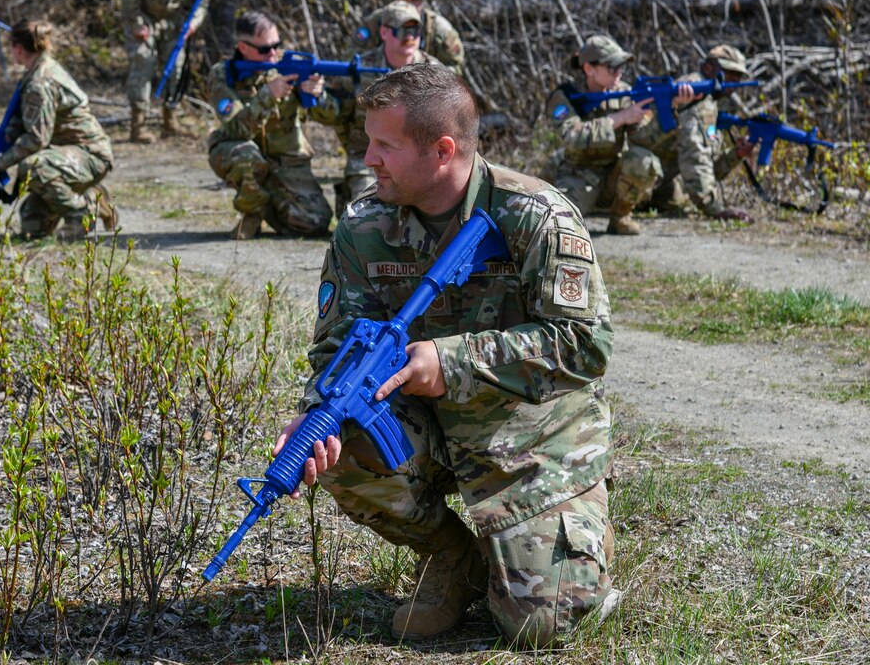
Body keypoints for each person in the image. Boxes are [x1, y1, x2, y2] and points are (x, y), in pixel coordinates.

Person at [275, 63, 618, 647]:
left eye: (384, 145)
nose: (368, 158)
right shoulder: (364, 225)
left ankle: (566, 527)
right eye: (368, 142)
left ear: (442, 150)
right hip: (425, 421)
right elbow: (339, 343)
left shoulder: (535, 216)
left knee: (540, 624)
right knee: (346, 447)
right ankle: (455, 557)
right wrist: (316, 414)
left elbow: (585, 346)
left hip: (529, 427)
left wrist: (451, 361)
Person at [205, 11, 343, 240]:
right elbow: (235, 129)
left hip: (286, 160)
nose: (272, 53)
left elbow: (329, 117)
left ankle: (269, 203)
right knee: (247, 156)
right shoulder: (223, 74)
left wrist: (318, 96)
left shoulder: (287, 66)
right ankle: (252, 214)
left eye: (276, 45)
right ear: (243, 47)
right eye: (264, 49)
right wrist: (268, 95)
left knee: (315, 222)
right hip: (241, 153)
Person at [0, 20, 116, 239]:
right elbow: (26, 120)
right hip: (67, 154)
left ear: (18, 48)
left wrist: (0, 164)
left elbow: (37, 139)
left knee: (34, 167)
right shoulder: (38, 71)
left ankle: (81, 214)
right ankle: (94, 199)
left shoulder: (40, 82)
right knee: (32, 225)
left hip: (90, 155)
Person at [541, 34, 678, 235]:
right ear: (589, 69)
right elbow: (572, 136)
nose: (619, 73)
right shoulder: (566, 97)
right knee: (556, 226)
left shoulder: (625, 93)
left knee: (644, 161)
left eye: (621, 66)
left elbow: (642, 139)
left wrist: (671, 109)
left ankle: (620, 216)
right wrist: (620, 118)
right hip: (577, 176)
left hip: (613, 175)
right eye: (612, 67)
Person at [330, 0, 441, 210]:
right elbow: (335, 114)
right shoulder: (360, 68)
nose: (409, 37)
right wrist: (315, 96)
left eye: (415, 30)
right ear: (384, 33)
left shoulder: (435, 73)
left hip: (419, 162)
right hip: (370, 162)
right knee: (367, 217)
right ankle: (348, 190)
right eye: (401, 31)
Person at [631, 45, 756, 222]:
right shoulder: (696, 93)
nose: (735, 80)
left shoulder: (711, 98)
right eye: (729, 73)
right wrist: (715, 209)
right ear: (708, 68)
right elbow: (695, 158)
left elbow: (708, 167)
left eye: (739, 75)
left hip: (657, 183)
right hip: (636, 177)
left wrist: (735, 155)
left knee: (677, 201)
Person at [119, 0, 211, 144]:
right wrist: (135, 24)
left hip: (172, 21)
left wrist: (194, 23)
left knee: (175, 68)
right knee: (144, 63)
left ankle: (170, 121)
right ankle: (137, 126)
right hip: (144, 19)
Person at [354, 0, 466, 73]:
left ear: (423, 1)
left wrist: (433, 78)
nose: (409, 4)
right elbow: (352, 55)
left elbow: (456, 67)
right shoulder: (378, 21)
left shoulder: (441, 29)